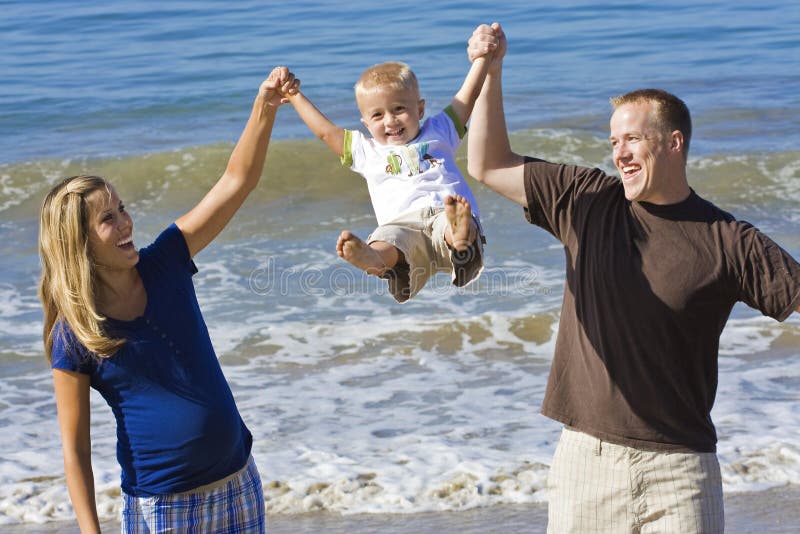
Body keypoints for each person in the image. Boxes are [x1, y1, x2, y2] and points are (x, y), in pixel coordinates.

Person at [467, 23, 800, 533]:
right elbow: (487, 164)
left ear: (673, 143)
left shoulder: (728, 240)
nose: (618, 152)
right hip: (587, 460)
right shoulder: (584, 200)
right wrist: (489, 68)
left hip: (681, 469)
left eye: (632, 139)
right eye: (613, 140)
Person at [38, 67, 299, 533]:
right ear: (79, 244)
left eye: (122, 210)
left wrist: (264, 106)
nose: (125, 223)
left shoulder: (166, 263)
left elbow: (236, 181)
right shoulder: (76, 335)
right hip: (163, 508)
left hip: (239, 483)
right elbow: (75, 452)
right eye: (107, 220)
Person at [284, 39, 492, 302]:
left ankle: (460, 237)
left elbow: (467, 96)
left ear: (420, 108)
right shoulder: (366, 151)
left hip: (445, 213)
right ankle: (374, 258)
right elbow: (326, 132)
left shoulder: (439, 130)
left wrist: (483, 57)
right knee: (387, 239)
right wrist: (293, 95)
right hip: (403, 224)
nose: (390, 120)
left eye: (399, 109)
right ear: (365, 123)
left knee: (450, 226)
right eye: (378, 115)